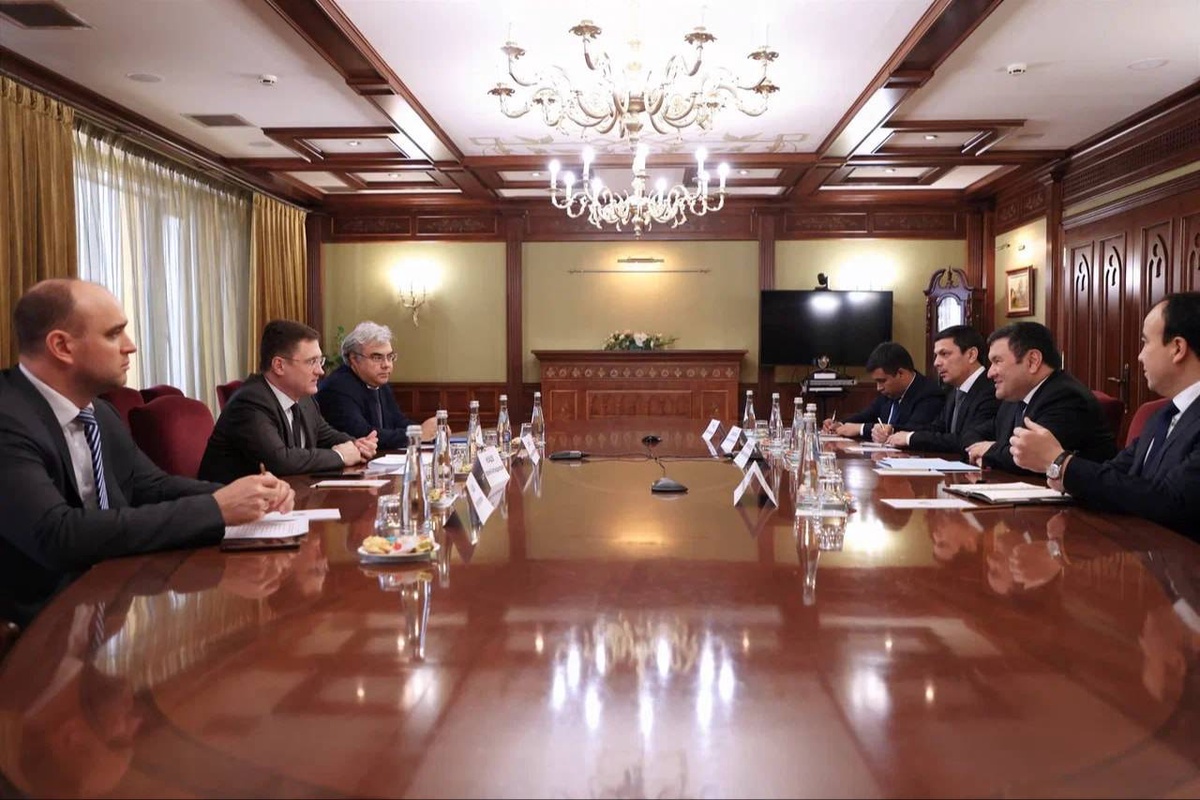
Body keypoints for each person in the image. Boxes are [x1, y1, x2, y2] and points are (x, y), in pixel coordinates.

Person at [0, 279, 293, 626]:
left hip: (112, 600)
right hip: (35, 626)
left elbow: (149, 486)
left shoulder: (99, 412)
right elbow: (56, 534)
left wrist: (247, 495)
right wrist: (216, 509)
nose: (131, 346)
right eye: (114, 334)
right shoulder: (8, 417)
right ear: (62, 346)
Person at [1009, 294, 1200, 535]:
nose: (1140, 355)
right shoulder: (1163, 415)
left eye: (1145, 342)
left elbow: (1172, 502)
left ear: (1177, 348)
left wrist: (1060, 462)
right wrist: (1061, 468)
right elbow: (1118, 474)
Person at [198, 320, 379, 484]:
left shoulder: (304, 398)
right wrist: (339, 456)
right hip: (233, 504)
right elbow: (280, 461)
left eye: (320, 361)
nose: (320, 371)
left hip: (286, 496)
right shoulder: (250, 403)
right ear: (279, 365)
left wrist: (358, 445)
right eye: (312, 362)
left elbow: (325, 435)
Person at [966, 321, 1117, 474]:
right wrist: (980, 449)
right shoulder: (1016, 397)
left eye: (997, 361)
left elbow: (1031, 457)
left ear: (1033, 361)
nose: (990, 373)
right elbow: (976, 433)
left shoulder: (1066, 397)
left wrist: (989, 452)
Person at [315, 321, 436, 449]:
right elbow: (363, 434)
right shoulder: (337, 388)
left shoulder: (379, 382)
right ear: (354, 359)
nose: (386, 365)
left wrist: (430, 431)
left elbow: (398, 421)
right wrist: (417, 435)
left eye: (390, 357)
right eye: (377, 358)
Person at [884, 325, 999, 454]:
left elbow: (968, 440)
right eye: (936, 355)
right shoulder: (954, 391)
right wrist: (894, 431)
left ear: (971, 355)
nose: (936, 363)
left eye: (944, 354)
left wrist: (910, 438)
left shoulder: (992, 390)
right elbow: (936, 428)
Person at [823, 341, 944, 439]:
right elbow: (866, 415)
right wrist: (840, 424)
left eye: (882, 381)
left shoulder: (929, 394)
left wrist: (861, 429)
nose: (878, 387)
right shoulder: (890, 393)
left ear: (900, 373)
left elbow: (912, 431)